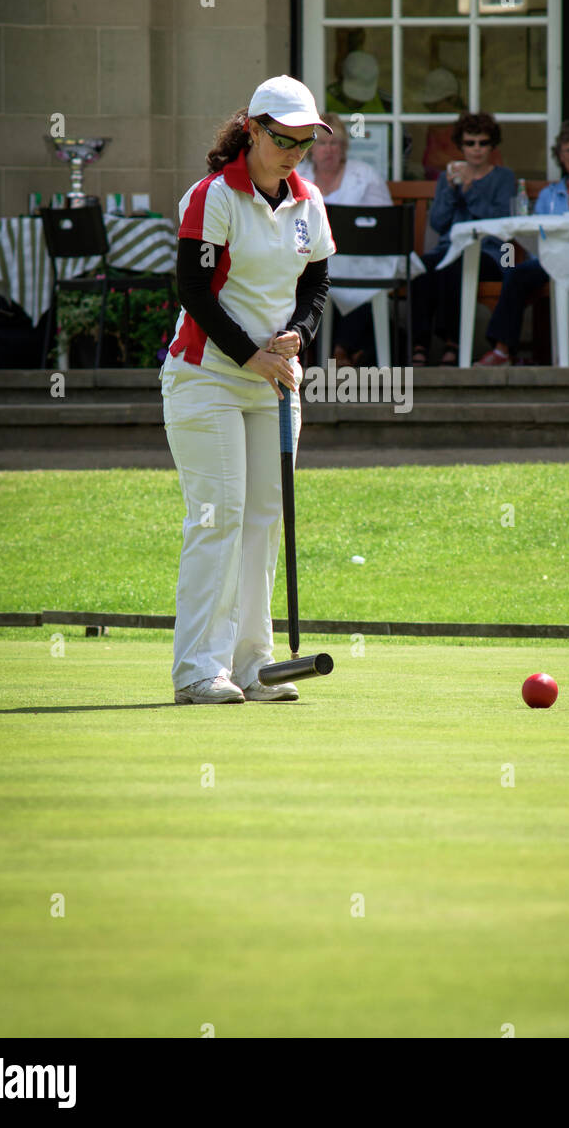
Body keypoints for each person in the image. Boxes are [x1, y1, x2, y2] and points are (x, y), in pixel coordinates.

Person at [159, 76, 335, 704]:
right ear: (253, 131)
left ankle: (254, 664)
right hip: (206, 377)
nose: (294, 151)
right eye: (283, 139)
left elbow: (315, 284)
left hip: (273, 379)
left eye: (305, 141)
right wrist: (250, 356)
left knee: (264, 518)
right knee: (219, 517)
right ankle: (198, 671)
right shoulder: (213, 197)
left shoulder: (307, 200)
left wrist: (295, 335)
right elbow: (195, 293)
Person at [474, 120, 569, 367]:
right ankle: (502, 350)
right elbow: (536, 235)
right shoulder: (550, 194)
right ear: (560, 156)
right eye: (567, 150)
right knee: (517, 273)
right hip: (551, 260)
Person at [411, 111, 515, 366]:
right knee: (419, 268)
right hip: (449, 249)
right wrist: (451, 189)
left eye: (483, 143)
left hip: (490, 252)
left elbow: (501, 221)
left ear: (492, 145)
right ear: (461, 145)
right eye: (470, 143)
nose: (477, 149)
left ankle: (453, 343)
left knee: (456, 266)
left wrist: (469, 190)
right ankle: (419, 344)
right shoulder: (450, 175)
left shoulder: (503, 177)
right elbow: (438, 222)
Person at [297, 113, 392, 367]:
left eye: (334, 143)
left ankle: (341, 349)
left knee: (362, 278)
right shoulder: (297, 176)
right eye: (321, 143)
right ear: (310, 148)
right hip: (309, 255)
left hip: (360, 255)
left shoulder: (364, 175)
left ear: (344, 147)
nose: (328, 150)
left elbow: (383, 225)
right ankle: (326, 350)